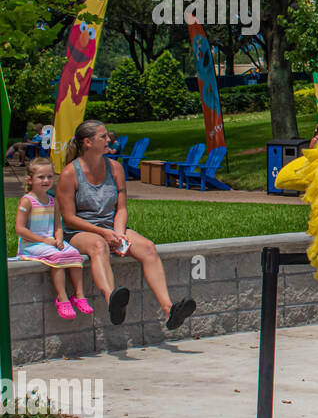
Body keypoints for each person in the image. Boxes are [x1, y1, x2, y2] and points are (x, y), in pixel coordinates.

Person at [57, 120, 197, 329]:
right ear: (87, 142)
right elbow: (69, 218)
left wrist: (119, 234)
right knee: (98, 245)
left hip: (112, 227)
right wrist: (104, 233)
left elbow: (121, 208)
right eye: (103, 137)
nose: (109, 140)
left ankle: (169, 310)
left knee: (148, 247)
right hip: (81, 230)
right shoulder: (70, 173)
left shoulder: (115, 168)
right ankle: (113, 301)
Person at [16, 157, 93, 320]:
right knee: (58, 258)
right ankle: (62, 298)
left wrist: (58, 238)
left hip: (50, 242)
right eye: (41, 177)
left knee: (74, 254)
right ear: (30, 179)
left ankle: (79, 295)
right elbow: (20, 229)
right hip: (32, 244)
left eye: (49, 176)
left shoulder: (52, 201)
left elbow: (58, 225)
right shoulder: (27, 201)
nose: (46, 180)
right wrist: (44, 241)